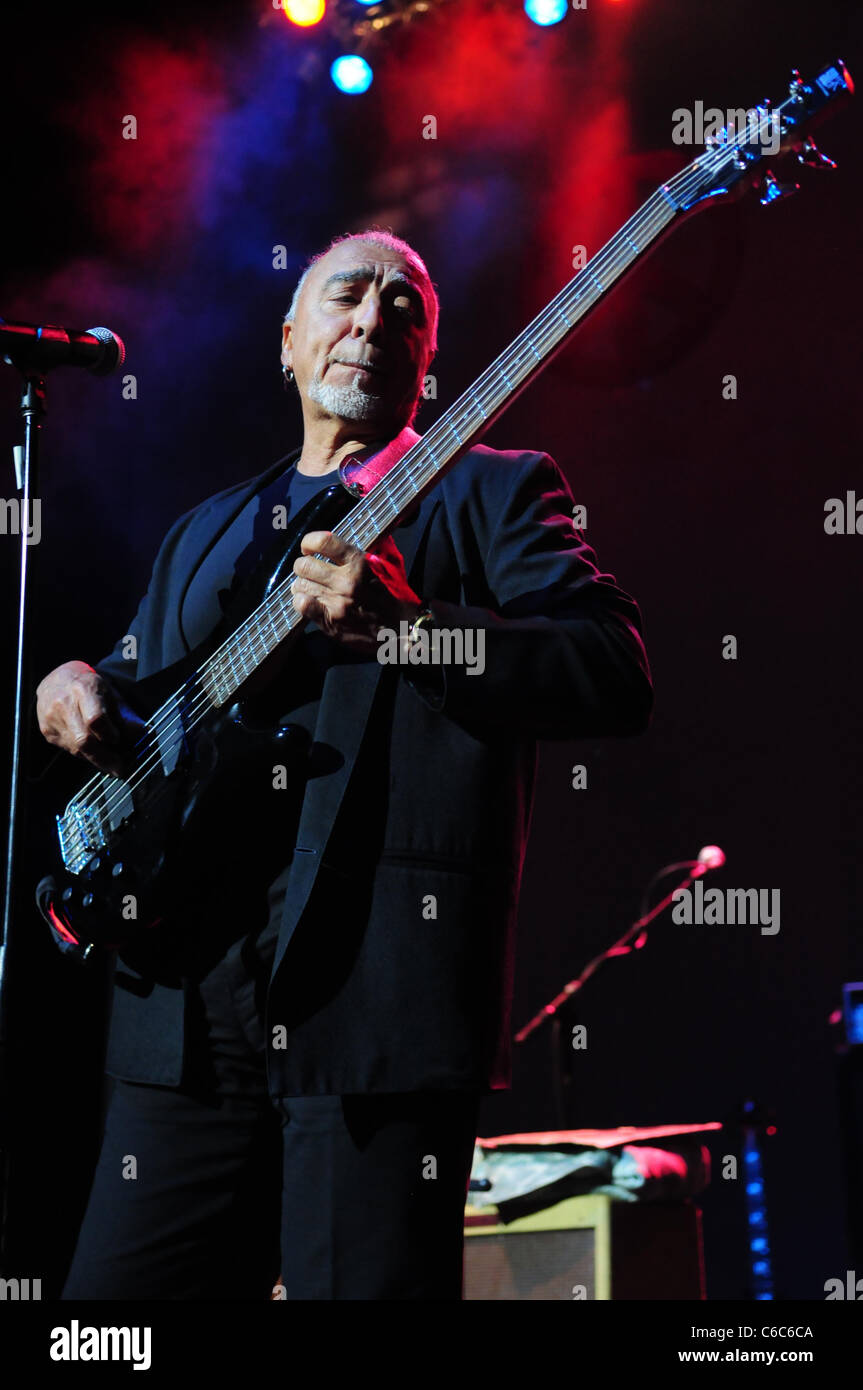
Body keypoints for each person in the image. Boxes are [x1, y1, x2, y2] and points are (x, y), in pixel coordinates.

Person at [36, 230, 653, 1300]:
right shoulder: (204, 531)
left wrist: (410, 630)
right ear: (289, 342)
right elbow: (132, 692)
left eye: (403, 307)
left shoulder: (490, 492)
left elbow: (611, 668)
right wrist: (71, 683)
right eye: (346, 295)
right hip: (181, 1018)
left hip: (372, 1018)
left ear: (428, 368)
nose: (372, 319)